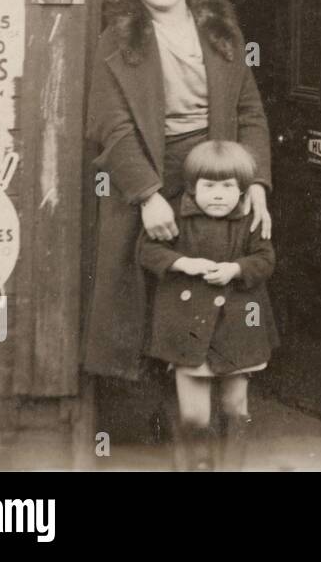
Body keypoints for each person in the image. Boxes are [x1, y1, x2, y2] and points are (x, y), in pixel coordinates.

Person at [82, 0, 273, 446]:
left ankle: (210, 430)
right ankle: (165, 428)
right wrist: (146, 194)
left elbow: (248, 111)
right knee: (153, 290)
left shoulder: (221, 31)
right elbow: (111, 125)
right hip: (150, 168)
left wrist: (254, 181)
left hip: (215, 173)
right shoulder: (118, 39)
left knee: (216, 287)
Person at [139, 140, 278, 470]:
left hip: (237, 326)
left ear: (242, 189)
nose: (218, 195)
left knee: (235, 406)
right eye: (209, 186)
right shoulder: (176, 215)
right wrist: (182, 264)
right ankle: (194, 466)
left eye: (228, 186)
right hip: (188, 324)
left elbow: (265, 259)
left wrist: (236, 269)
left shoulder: (250, 219)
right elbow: (148, 251)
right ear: (191, 187)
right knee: (195, 414)